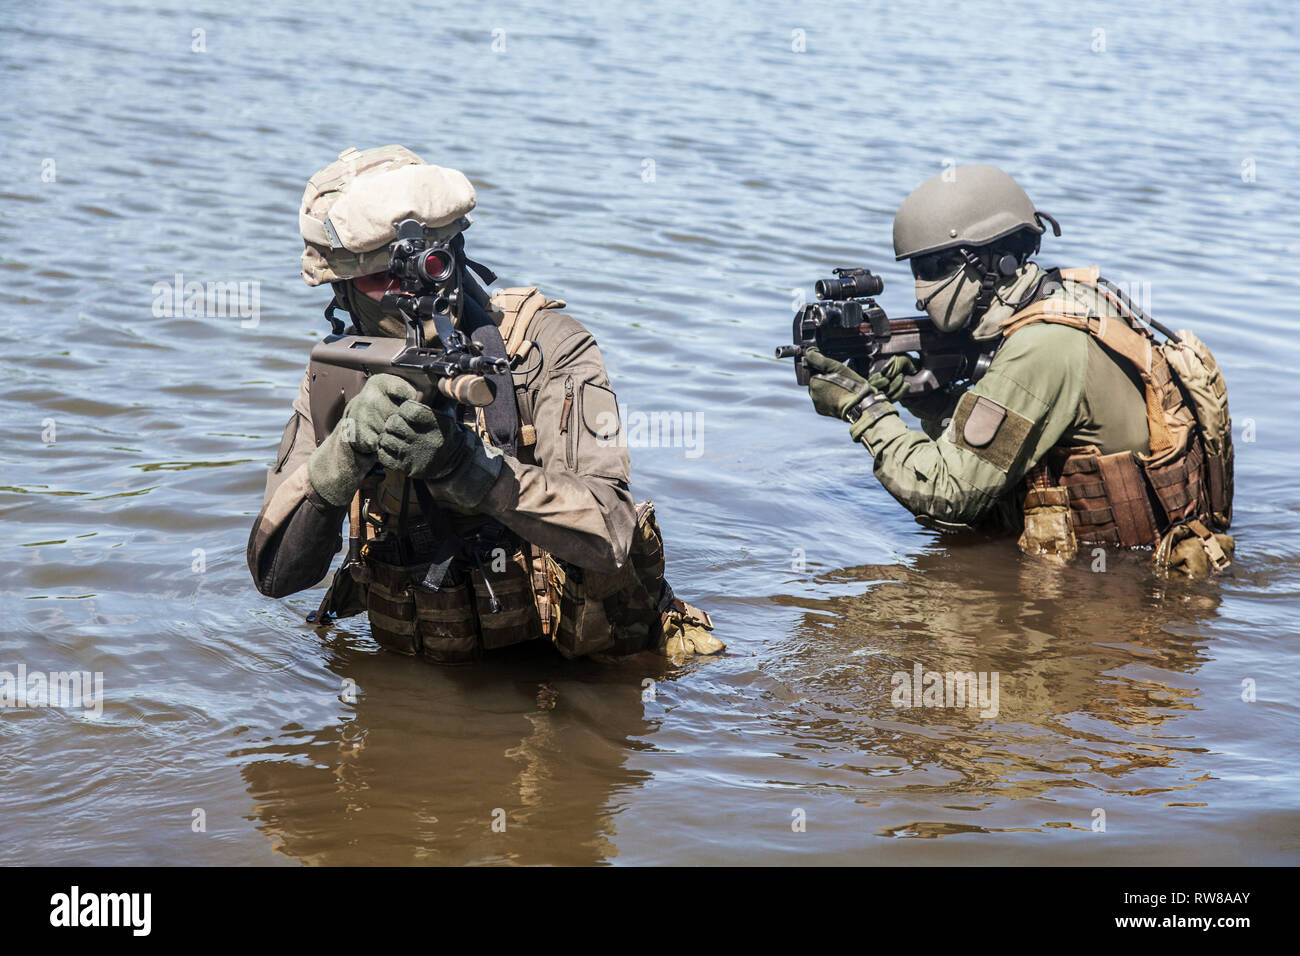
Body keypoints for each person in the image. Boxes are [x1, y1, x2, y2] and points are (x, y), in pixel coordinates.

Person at [248, 146, 719, 662]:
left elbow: (612, 533)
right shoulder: (340, 372)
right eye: (379, 280)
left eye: (427, 267)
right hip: (427, 674)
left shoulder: (545, 349)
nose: (406, 294)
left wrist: (469, 471)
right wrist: (342, 457)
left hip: (571, 669)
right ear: (341, 291)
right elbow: (274, 575)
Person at [803, 164, 1234, 575]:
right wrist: (929, 397)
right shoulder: (1078, 300)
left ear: (993, 263)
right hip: (1149, 559)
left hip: (1109, 585)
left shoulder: (1040, 347)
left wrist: (862, 408)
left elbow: (948, 493)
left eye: (934, 268)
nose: (919, 294)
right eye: (917, 270)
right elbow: (1017, 436)